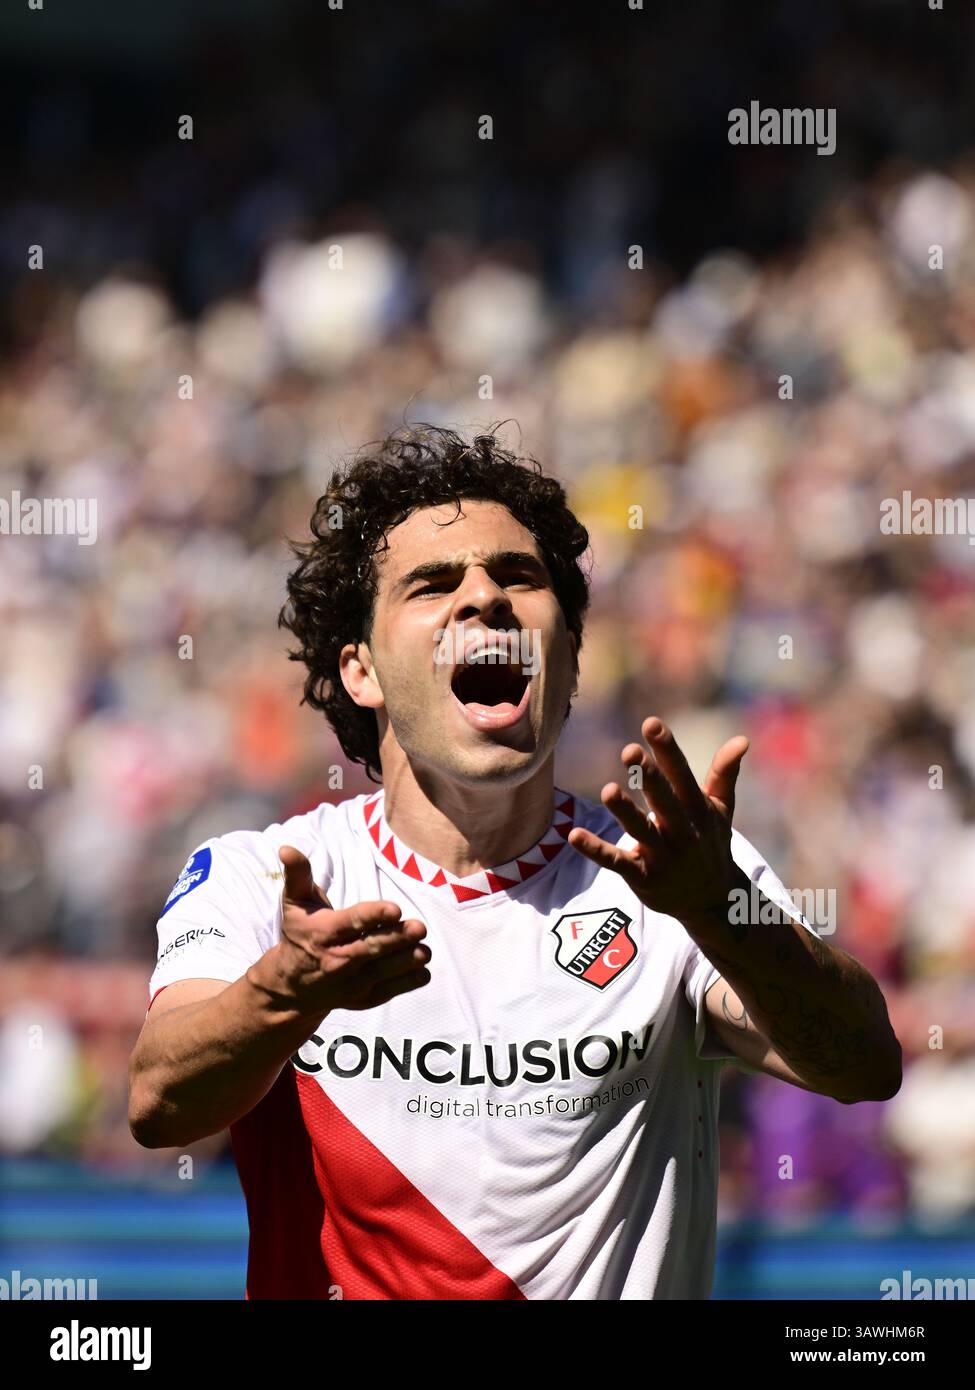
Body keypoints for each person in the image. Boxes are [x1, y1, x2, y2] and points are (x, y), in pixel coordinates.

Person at [127, 424, 901, 1300]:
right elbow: (160, 1104)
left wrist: (721, 911)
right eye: (433, 583)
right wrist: (285, 992)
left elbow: (862, 1065)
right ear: (361, 670)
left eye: (517, 577)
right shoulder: (265, 877)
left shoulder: (671, 875)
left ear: (566, 660)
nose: (484, 599)